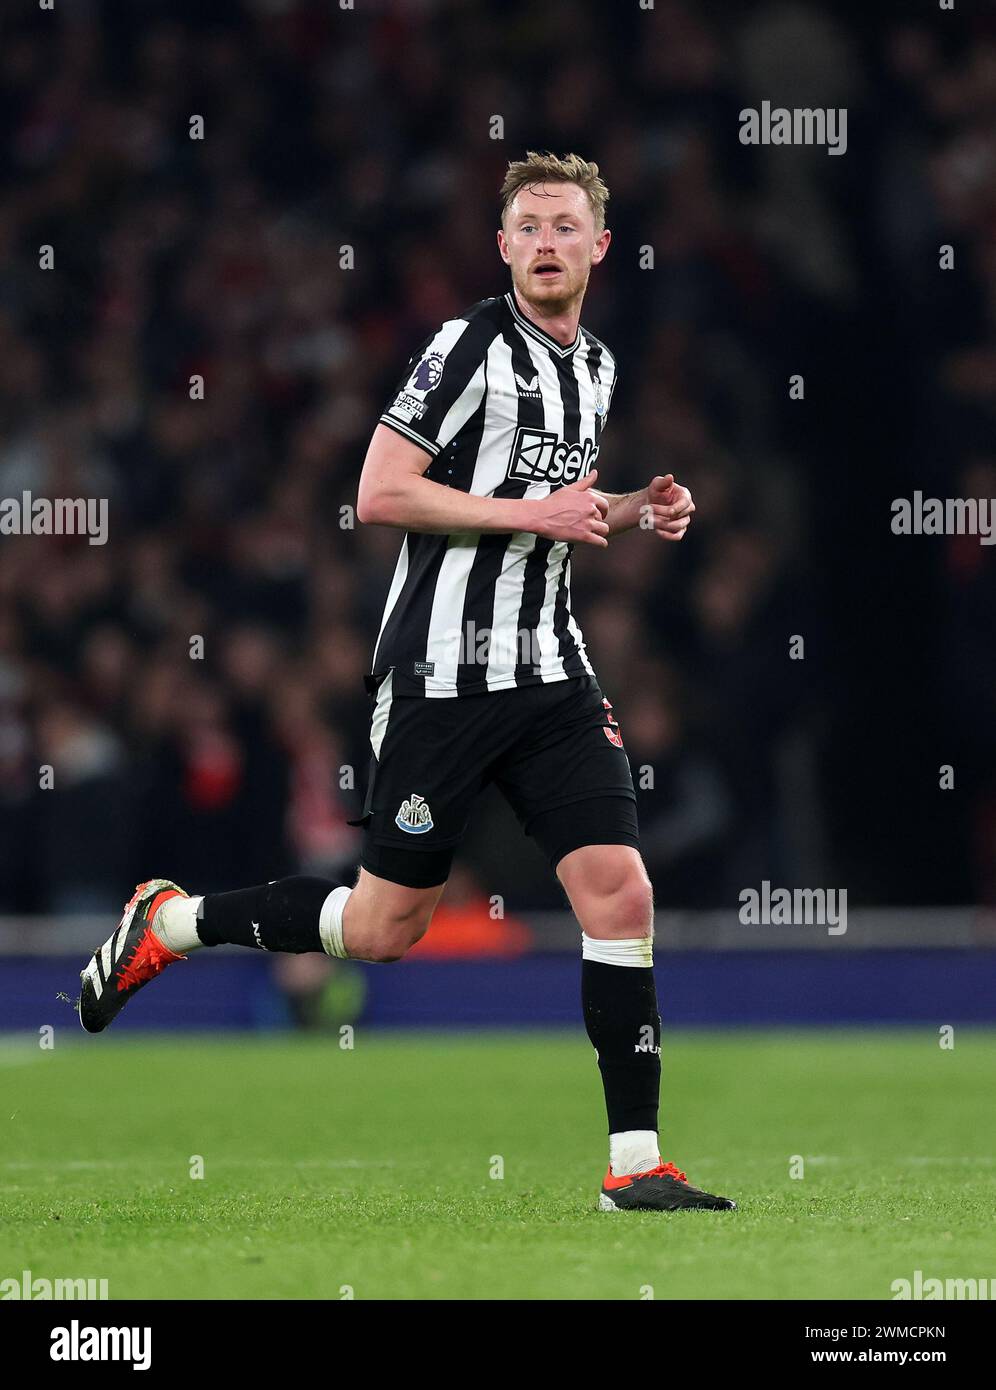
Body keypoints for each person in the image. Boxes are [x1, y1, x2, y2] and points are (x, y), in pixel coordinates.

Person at [78, 151, 735, 1214]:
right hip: (442, 678)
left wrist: (629, 508)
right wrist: (542, 515)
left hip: (555, 673)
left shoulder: (598, 367)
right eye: (529, 226)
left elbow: (549, 508)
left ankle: (635, 1162)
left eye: (568, 226)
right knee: (388, 928)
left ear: (600, 247)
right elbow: (381, 490)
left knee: (619, 890)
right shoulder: (466, 344)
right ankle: (174, 922)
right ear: (503, 245)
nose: (548, 243)